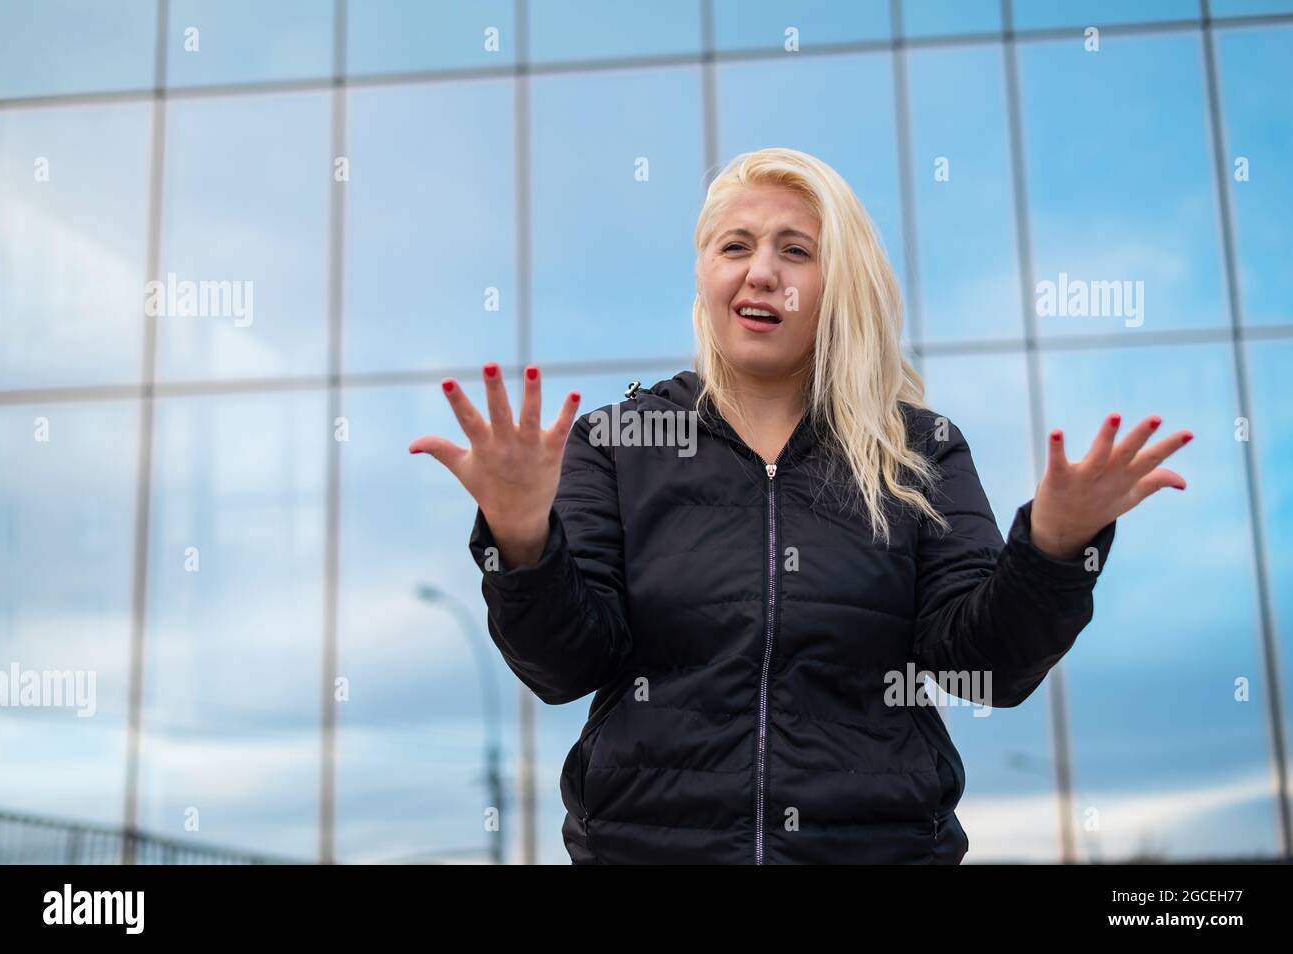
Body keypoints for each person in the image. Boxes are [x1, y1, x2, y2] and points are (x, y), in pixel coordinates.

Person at [409, 147, 1192, 864]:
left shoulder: (920, 450)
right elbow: (564, 666)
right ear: (705, 276)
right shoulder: (619, 443)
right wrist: (520, 538)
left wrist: (1055, 546)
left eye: (795, 250)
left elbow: (984, 668)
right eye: (735, 246)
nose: (759, 272)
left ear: (839, 284)